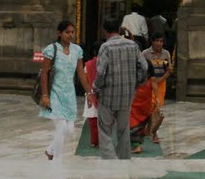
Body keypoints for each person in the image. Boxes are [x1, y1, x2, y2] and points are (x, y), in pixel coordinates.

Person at [93, 16, 149, 160]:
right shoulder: (133, 45)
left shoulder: (105, 47)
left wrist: (96, 88)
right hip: (127, 95)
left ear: (104, 31)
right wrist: (138, 83)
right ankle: (124, 160)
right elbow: (144, 66)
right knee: (123, 131)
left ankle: (110, 161)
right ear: (119, 29)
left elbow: (100, 72)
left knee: (105, 130)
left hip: (108, 96)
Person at [40, 19, 91, 161]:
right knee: (61, 126)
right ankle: (57, 159)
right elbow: (44, 73)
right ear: (59, 33)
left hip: (69, 95)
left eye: (72, 32)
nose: (70, 35)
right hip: (54, 93)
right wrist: (45, 95)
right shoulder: (51, 49)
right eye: (67, 32)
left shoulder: (77, 50)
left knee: (69, 129)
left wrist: (89, 92)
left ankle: (50, 149)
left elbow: (81, 73)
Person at [143, 34, 174, 112]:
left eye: (161, 41)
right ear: (152, 41)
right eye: (157, 41)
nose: (159, 43)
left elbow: (168, 70)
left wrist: (161, 79)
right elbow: (142, 70)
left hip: (161, 83)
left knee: (158, 105)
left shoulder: (165, 54)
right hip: (149, 83)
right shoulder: (145, 54)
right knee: (150, 105)